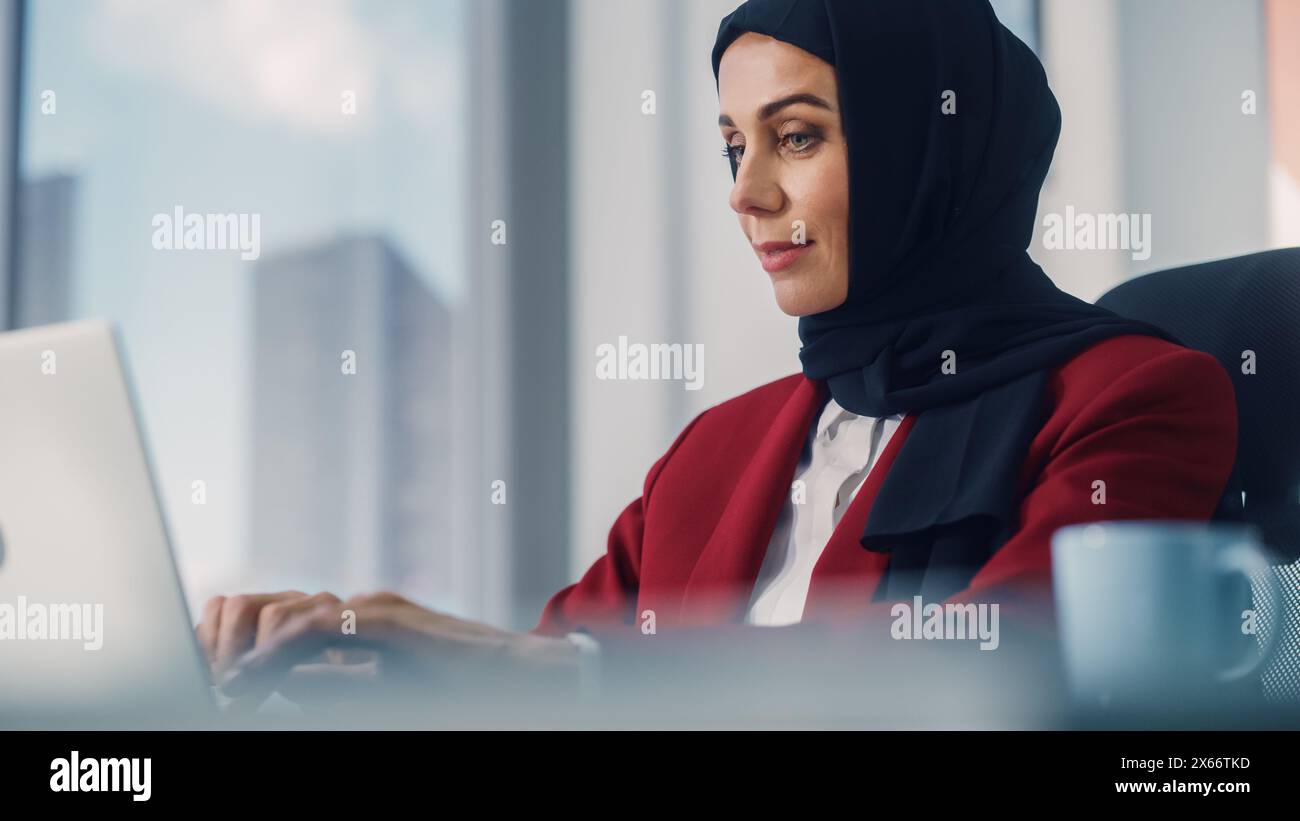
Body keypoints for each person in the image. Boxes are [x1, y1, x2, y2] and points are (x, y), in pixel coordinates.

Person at [196, 0, 1237, 707]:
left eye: (795, 137)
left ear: (931, 151)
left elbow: (1000, 680)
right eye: (733, 146)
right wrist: (346, 659)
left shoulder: (1137, 396)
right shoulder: (715, 446)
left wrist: (567, 674)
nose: (745, 193)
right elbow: (536, 676)